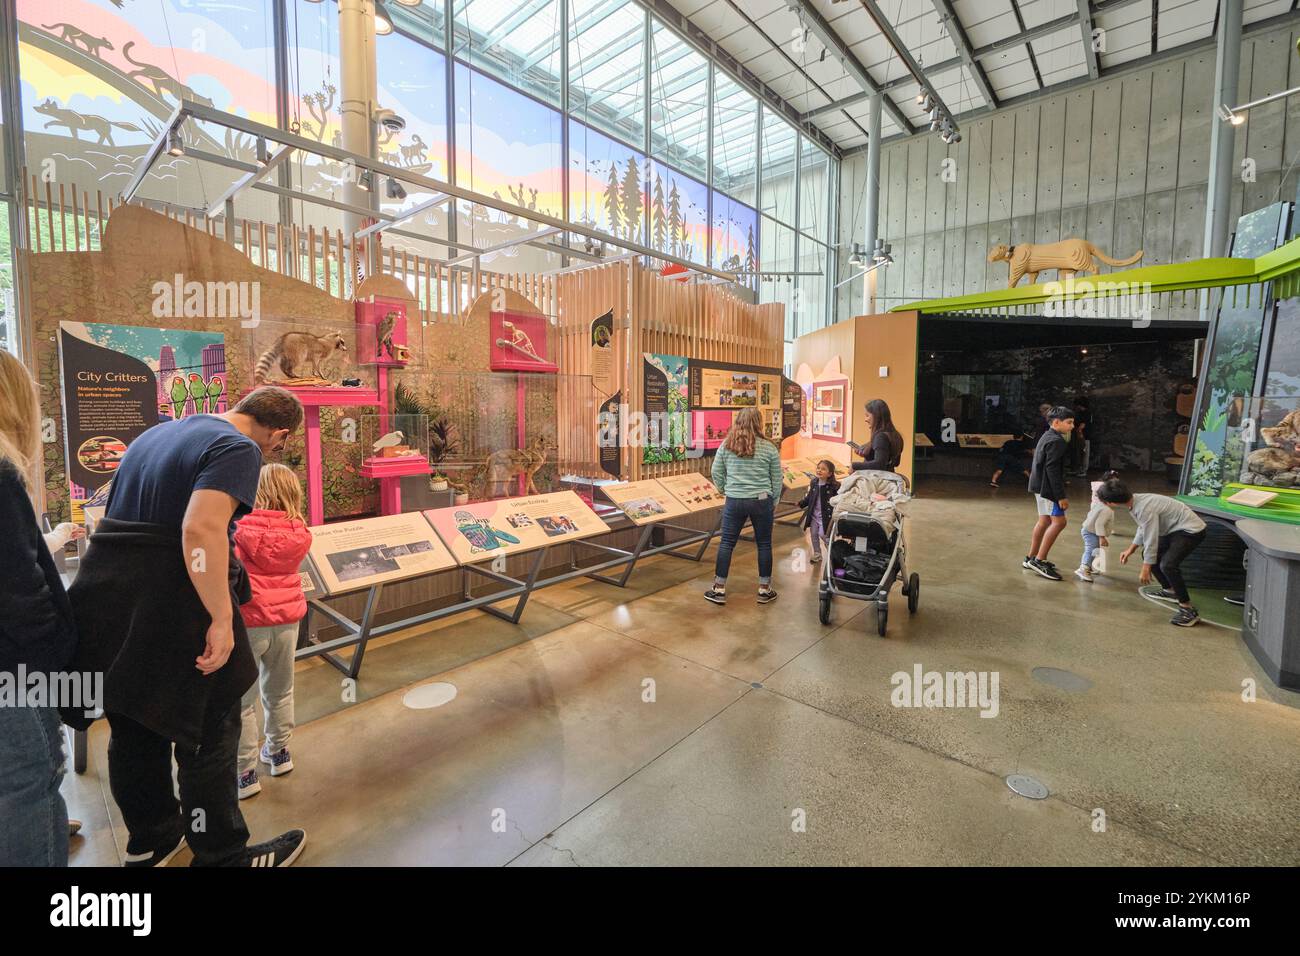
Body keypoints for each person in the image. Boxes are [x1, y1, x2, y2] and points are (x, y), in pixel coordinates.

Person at [61, 386, 308, 867]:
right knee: (209, 730)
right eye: (279, 445)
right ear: (278, 435)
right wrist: (220, 616)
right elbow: (200, 529)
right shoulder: (238, 448)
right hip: (175, 603)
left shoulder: (155, 434)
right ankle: (222, 855)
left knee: (135, 724)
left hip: (115, 602)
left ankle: (151, 839)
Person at [0, 351, 78, 867]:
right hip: (16, 668)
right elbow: (19, 589)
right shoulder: (3, 474)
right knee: (31, 781)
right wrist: (58, 654)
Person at [234, 464, 313, 800]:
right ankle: (279, 753)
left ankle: (245, 773)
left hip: (249, 620)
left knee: (241, 701)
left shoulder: (238, 527)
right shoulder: (300, 530)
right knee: (281, 690)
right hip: (287, 619)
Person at [1097, 479, 1208, 627]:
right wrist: (1131, 549)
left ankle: (1187, 609)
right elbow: (1143, 527)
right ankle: (1170, 591)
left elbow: (1151, 538)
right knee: (1150, 556)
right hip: (1173, 528)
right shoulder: (1135, 501)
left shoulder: (1143, 508)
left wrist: (1145, 568)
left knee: (1168, 565)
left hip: (1191, 530)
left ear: (1112, 503)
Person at [705, 406, 783, 606]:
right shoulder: (769, 447)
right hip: (761, 500)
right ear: (758, 422)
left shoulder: (727, 445)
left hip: (735, 500)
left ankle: (719, 588)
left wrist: (725, 489)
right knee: (764, 544)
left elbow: (716, 471)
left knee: (726, 543)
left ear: (738, 420)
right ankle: (764, 589)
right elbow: (777, 478)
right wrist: (772, 503)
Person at [1024, 405, 1075, 580]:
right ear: (1056, 422)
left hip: (1039, 486)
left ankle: (1030, 557)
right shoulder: (1057, 441)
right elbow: (1052, 469)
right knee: (1059, 522)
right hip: (1048, 489)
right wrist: (1060, 496)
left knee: (1045, 520)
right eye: (1069, 422)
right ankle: (1039, 560)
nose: (1072, 426)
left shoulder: (1047, 435)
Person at [1076, 470, 1120, 583]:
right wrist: (1102, 537)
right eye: (1116, 499)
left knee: (1095, 549)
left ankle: (1088, 567)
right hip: (1091, 532)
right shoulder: (1106, 510)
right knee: (1091, 549)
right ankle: (1083, 568)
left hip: (1090, 530)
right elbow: (1099, 524)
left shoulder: (1100, 504)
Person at [796, 459, 839, 565]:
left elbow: (838, 500)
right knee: (813, 534)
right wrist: (801, 503)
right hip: (814, 514)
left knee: (824, 535)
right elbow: (810, 496)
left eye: (823, 469)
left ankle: (833, 553)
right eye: (818, 468)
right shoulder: (814, 482)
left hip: (826, 516)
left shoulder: (835, 486)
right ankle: (817, 554)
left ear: (830, 473)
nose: (819, 470)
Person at [852, 399, 904, 472]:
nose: (865, 420)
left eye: (867, 415)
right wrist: (869, 455)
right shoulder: (896, 435)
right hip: (889, 477)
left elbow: (880, 464)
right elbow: (896, 463)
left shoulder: (881, 437)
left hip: (876, 480)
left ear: (876, 416)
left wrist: (854, 465)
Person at [1071, 397, 1093, 477]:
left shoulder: (1087, 413)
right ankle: (1078, 469)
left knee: (1085, 452)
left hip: (1084, 435)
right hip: (1078, 435)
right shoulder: (1079, 413)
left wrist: (1080, 432)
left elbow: (1083, 425)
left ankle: (1083, 470)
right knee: (1079, 453)